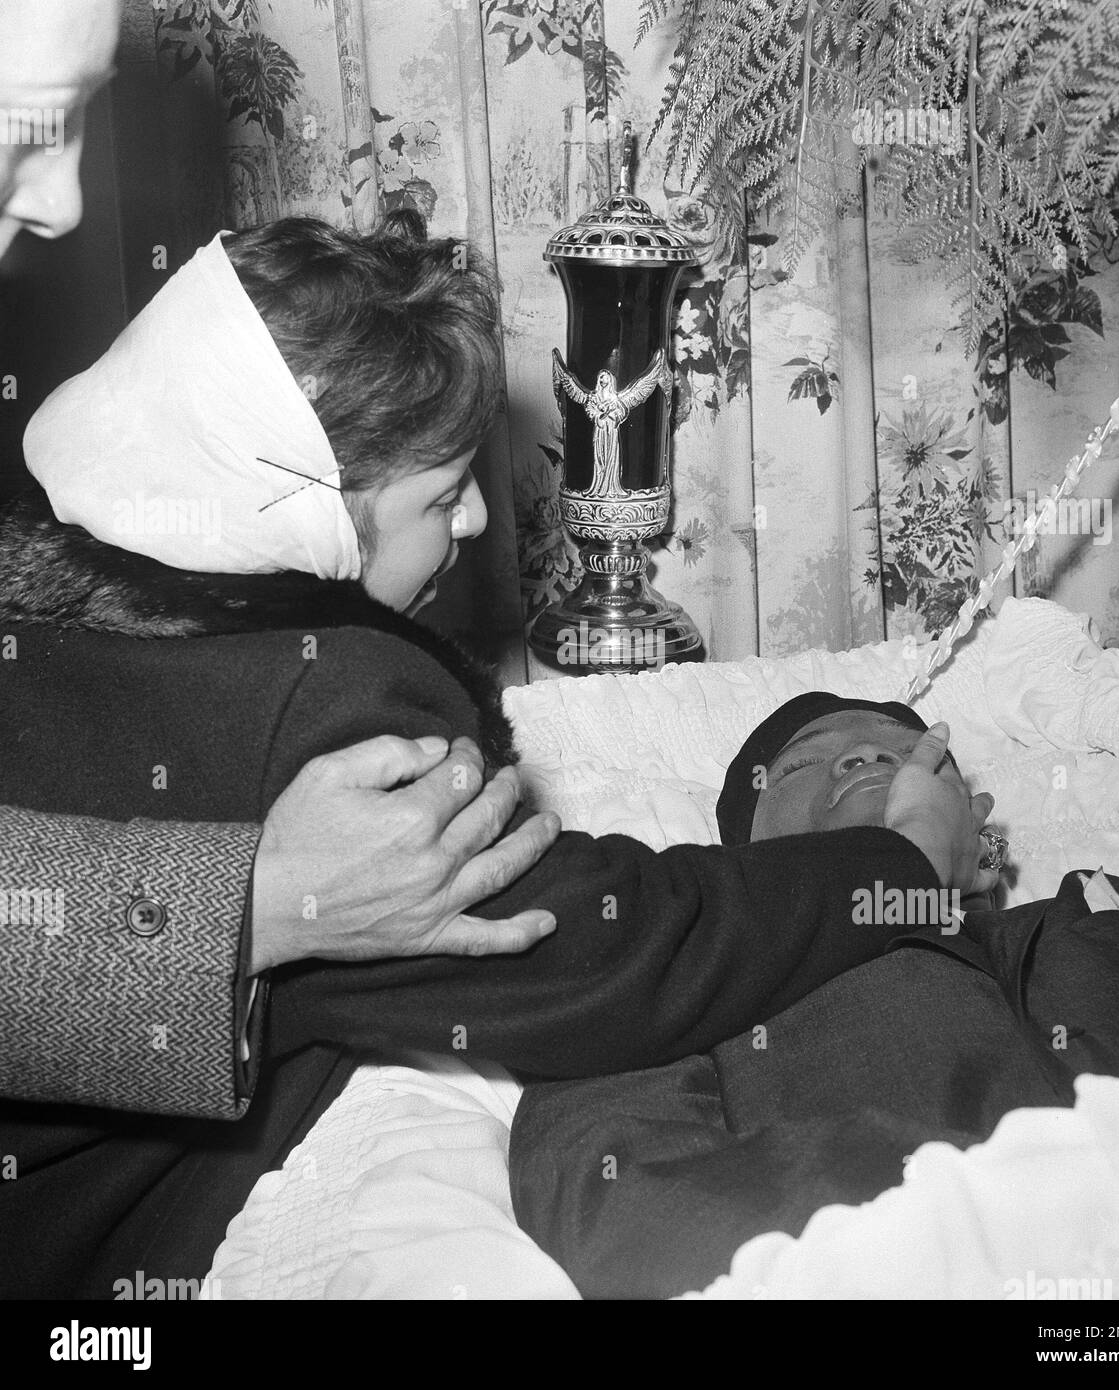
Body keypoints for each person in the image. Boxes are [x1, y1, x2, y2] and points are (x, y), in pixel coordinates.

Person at [0, 208, 999, 1295]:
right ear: (305, 515)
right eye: (440, 493)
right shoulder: (335, 706)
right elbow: (617, 955)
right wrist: (898, 864)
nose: (477, 518)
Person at [0, 0, 561, 1123]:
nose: (65, 203)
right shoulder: (349, 693)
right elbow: (595, 946)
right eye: (29, 123)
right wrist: (252, 909)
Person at [508, 693, 1119, 1298]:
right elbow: (628, 1203)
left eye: (911, 752)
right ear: (738, 853)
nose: (863, 758)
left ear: (975, 824)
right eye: (799, 763)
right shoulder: (663, 976)